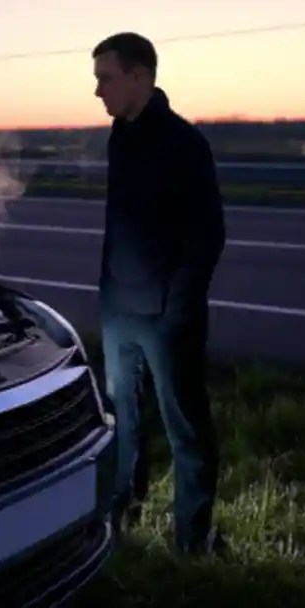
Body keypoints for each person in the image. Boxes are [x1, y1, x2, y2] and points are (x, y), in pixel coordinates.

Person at [91, 32, 226, 556]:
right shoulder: (119, 137)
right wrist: (108, 293)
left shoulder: (184, 143)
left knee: (185, 428)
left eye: (105, 78)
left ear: (139, 76)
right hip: (120, 310)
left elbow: (208, 234)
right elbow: (119, 224)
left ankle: (192, 542)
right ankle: (120, 521)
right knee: (123, 421)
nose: (98, 91)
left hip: (167, 317)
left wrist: (178, 308)